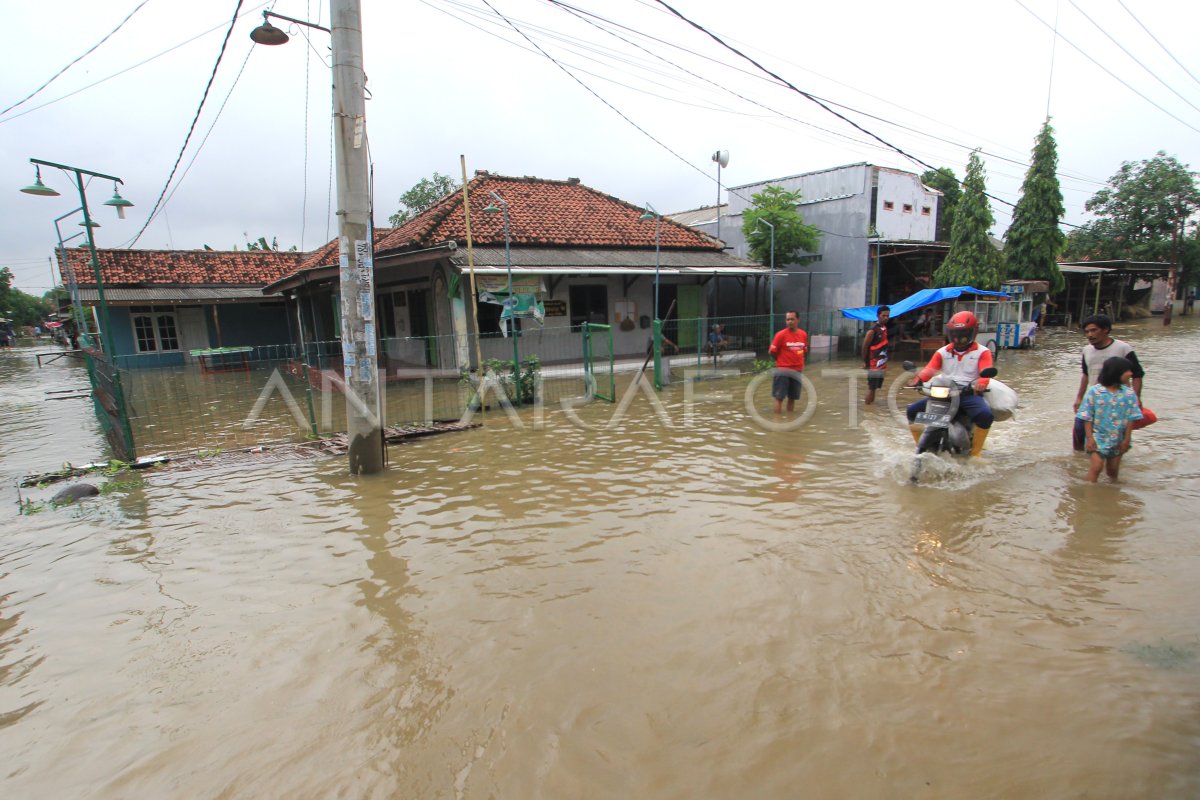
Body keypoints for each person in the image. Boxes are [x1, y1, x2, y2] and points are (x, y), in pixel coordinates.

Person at [906, 310, 995, 456]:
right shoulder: (942, 352)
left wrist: (981, 383)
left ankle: (976, 454)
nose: (959, 339)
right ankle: (920, 448)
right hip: (944, 392)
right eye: (955, 335)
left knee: (985, 415)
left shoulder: (982, 352)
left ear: (973, 332)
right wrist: (918, 379)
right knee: (912, 411)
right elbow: (930, 369)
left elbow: (986, 370)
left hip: (967, 393)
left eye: (963, 335)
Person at [1072, 314, 1156, 451]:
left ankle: (1112, 458)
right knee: (1080, 429)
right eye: (1087, 331)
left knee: (1114, 433)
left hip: (1118, 399)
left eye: (1093, 330)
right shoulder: (1086, 350)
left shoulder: (1123, 348)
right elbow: (1086, 374)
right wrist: (1079, 398)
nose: (1090, 335)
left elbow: (1137, 375)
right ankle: (1080, 461)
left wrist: (1136, 398)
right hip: (1095, 396)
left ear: (1105, 329)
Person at [1076, 356, 1142, 482]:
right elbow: (1087, 417)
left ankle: (1112, 496)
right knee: (1096, 467)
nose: (1131, 374)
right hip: (1097, 438)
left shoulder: (1129, 394)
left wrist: (1127, 439)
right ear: (1116, 372)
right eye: (1127, 371)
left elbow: (1131, 418)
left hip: (1118, 439)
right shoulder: (1094, 392)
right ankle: (1089, 496)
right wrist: (1089, 438)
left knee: (1112, 471)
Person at [768, 310, 808, 415]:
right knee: (779, 397)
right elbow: (772, 352)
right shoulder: (780, 335)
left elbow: (803, 350)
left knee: (792, 397)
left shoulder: (803, 334)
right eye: (787, 319)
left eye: (792, 319)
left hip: (797, 370)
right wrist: (781, 362)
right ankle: (777, 421)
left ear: (798, 320)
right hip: (783, 370)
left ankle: (790, 418)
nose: (790, 321)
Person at [862, 305, 891, 405]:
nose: (886, 318)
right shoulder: (872, 330)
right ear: (878, 316)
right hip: (873, 365)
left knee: (875, 388)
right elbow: (865, 347)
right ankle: (867, 410)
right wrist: (866, 363)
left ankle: (870, 409)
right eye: (884, 316)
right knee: (871, 388)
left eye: (887, 316)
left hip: (881, 364)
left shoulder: (884, 328)